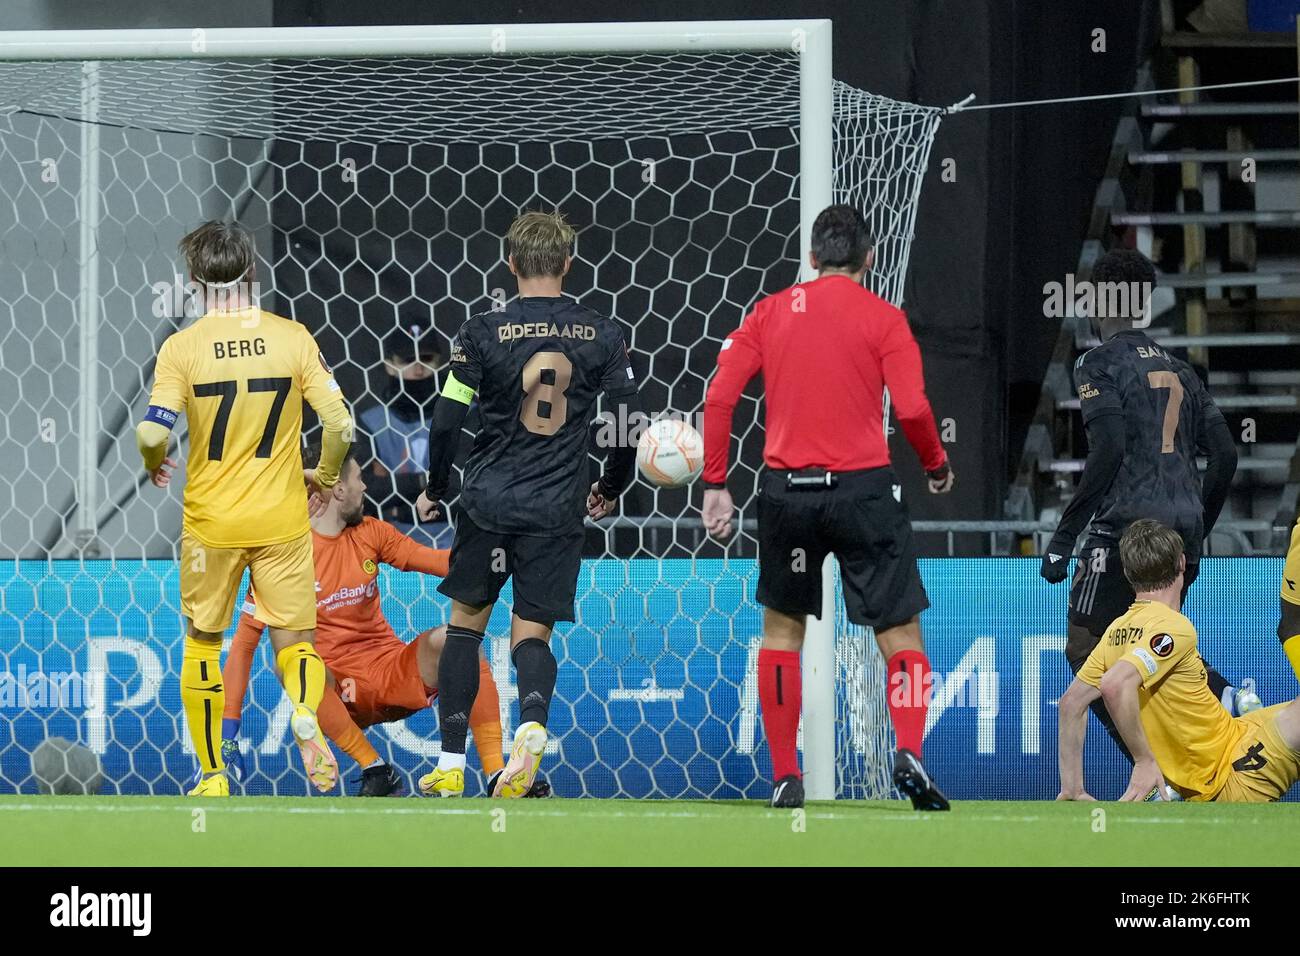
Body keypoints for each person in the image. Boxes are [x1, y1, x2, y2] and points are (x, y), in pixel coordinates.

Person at [700, 203, 953, 811]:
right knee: (900, 631)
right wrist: (936, 464)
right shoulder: (885, 317)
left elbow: (719, 395)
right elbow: (915, 409)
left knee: (783, 636)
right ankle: (910, 748)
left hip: (789, 495)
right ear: (869, 258)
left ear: (811, 258)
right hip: (865, 492)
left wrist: (715, 482)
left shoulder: (768, 312)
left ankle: (787, 775)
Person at [414, 209, 641, 798]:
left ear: (510, 264)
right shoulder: (604, 334)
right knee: (531, 639)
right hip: (557, 506)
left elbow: (447, 419)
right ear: (568, 263)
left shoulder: (479, 333)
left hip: (488, 503)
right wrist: (612, 485)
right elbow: (624, 422)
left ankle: (448, 766)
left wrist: (437, 488)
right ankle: (533, 727)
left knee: (464, 631)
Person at [136, 220, 352, 797]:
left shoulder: (181, 348)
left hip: (212, 523)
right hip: (281, 518)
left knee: (203, 641)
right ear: (251, 271)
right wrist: (326, 476)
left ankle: (212, 777)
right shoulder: (291, 336)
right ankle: (305, 715)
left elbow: (152, 430)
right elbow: (340, 422)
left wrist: (150, 460)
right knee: (297, 643)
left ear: (192, 279)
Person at [218, 445, 545, 797]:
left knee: (458, 642)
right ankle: (374, 769)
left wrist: (503, 552)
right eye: (358, 479)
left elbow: (436, 561)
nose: (365, 488)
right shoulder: (283, 557)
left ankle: (499, 776)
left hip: (389, 673)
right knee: (291, 662)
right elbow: (243, 646)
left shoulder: (371, 532)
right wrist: (228, 729)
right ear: (337, 488)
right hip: (336, 690)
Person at [1040, 248, 1254, 760]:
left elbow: (1109, 447)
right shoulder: (1182, 370)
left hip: (1123, 531)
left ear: (1098, 300)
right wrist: (1197, 526)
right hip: (1181, 527)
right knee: (1152, 644)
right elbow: (1225, 456)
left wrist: (1065, 538)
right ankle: (1228, 695)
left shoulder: (1097, 362)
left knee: (1086, 646)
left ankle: (1150, 768)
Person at [1058, 519, 1300, 802]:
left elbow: (1071, 704)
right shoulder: (1173, 627)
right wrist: (1144, 761)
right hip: (1230, 773)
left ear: (1127, 572)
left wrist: (1072, 788)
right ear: (1182, 562)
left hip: (1237, 734)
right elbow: (1115, 684)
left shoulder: (1115, 633)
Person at [355, 320, 452, 546]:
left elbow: (468, 486)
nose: (419, 369)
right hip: (389, 547)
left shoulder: (465, 416)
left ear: (440, 363)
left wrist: (395, 489)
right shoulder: (371, 422)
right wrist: (430, 481)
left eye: (427, 359)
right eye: (408, 360)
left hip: (454, 542)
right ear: (389, 366)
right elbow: (365, 492)